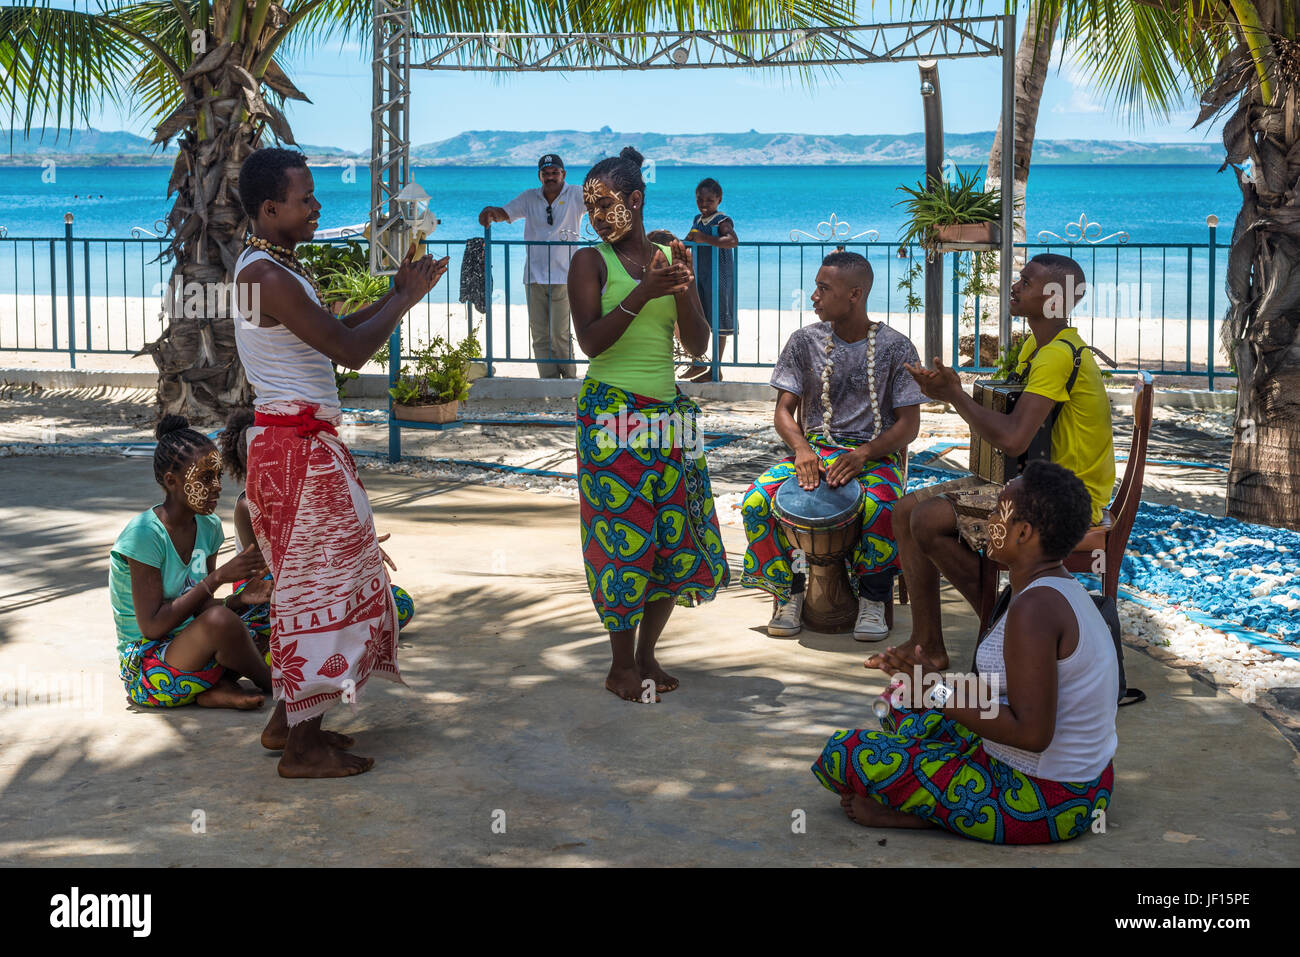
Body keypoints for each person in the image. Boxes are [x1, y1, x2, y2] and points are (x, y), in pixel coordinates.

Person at [231, 147, 444, 777]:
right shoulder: (266, 276)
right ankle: (302, 749)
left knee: (320, 588)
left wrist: (394, 294)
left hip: (290, 446)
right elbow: (349, 351)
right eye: (306, 198)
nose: (317, 206)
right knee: (320, 591)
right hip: (297, 452)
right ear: (270, 209)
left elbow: (332, 331)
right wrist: (402, 301)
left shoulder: (266, 266)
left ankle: (286, 725)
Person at [811, 461, 1117, 844]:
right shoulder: (1052, 587)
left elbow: (1033, 733)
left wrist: (937, 690)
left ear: (1022, 533)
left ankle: (921, 816)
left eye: (996, 513)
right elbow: (1009, 696)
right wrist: (930, 684)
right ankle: (937, 796)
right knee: (899, 702)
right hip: (1089, 782)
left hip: (1045, 798)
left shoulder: (1035, 610)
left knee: (846, 753)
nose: (986, 520)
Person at [894, 253, 1115, 668]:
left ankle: (1009, 628)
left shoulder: (1057, 355)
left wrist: (954, 395)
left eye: (1026, 282)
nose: (1014, 286)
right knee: (906, 508)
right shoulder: (1038, 343)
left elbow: (1014, 439)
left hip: (1068, 499)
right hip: (1035, 483)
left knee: (925, 520)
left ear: (1052, 299)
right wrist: (953, 390)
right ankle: (928, 645)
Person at [568, 146, 729, 703]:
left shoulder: (667, 255)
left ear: (635, 200)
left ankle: (646, 655)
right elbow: (590, 341)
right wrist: (644, 291)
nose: (595, 215)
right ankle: (619, 666)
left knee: (672, 538)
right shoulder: (589, 261)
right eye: (588, 205)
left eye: (605, 203)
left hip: (670, 417)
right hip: (612, 414)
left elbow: (698, 343)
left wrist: (681, 286)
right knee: (621, 539)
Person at [741, 252, 922, 640]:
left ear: (855, 294)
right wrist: (802, 449)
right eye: (816, 287)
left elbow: (910, 424)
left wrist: (864, 454)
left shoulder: (896, 347)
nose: (813, 296)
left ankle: (873, 600)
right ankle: (787, 595)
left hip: (874, 456)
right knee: (757, 500)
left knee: (883, 505)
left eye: (824, 289)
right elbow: (783, 412)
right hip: (815, 453)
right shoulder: (803, 342)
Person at [217, 408, 416, 673]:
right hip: (268, 590)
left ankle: (323, 640)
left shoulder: (309, 492)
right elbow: (273, 570)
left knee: (399, 603)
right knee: (278, 622)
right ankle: (324, 640)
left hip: (315, 582)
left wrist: (362, 550)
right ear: (250, 468)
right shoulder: (247, 505)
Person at [109, 415, 273, 711]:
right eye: (205, 478)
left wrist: (237, 600)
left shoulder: (208, 527)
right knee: (222, 623)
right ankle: (271, 681)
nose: (217, 487)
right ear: (172, 482)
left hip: (190, 645)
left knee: (268, 607)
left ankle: (214, 687)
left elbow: (200, 607)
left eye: (218, 476)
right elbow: (153, 626)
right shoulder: (144, 535)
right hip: (149, 669)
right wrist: (217, 579)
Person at [479, 153, 584, 378]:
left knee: (560, 333)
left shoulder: (576, 194)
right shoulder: (529, 197)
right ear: (539, 176)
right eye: (545, 173)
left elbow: (600, 202)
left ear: (563, 174)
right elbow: (505, 213)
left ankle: (569, 381)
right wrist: (490, 213)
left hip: (564, 276)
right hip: (534, 276)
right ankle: (548, 379)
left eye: (554, 172)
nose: (550, 177)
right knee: (539, 335)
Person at [682, 178, 738, 381]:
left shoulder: (722, 220)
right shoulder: (697, 220)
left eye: (709, 200)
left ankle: (716, 367)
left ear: (719, 200)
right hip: (701, 275)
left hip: (719, 276)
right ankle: (698, 362)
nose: (704, 204)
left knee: (718, 319)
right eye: (700, 199)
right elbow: (689, 240)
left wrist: (705, 239)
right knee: (700, 317)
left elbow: (732, 241)